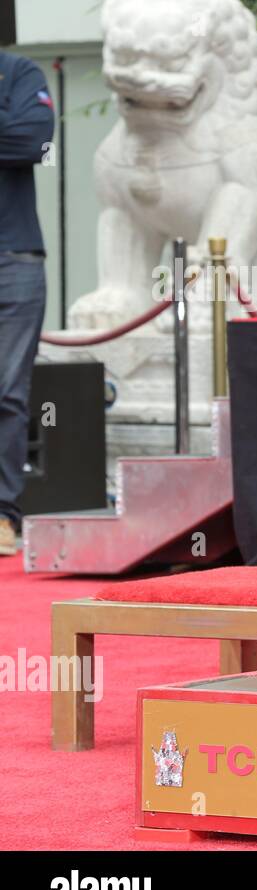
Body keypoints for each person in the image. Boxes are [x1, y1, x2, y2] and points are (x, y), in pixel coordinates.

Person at [0, 51, 56, 557]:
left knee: (6, 392)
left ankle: (2, 514)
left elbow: (35, 141)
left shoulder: (19, 72)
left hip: (13, 257)